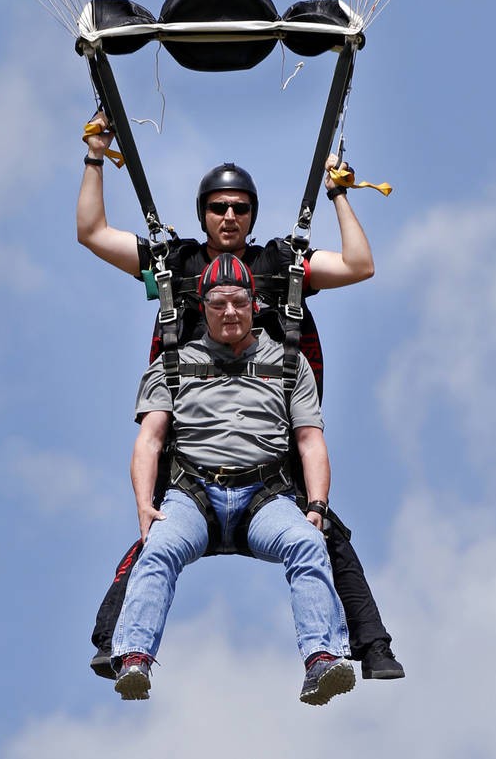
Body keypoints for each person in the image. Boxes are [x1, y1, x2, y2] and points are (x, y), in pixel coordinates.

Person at [78, 112, 404, 681]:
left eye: (240, 207)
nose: (229, 216)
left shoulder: (280, 264)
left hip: (271, 437)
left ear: (252, 214)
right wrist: (93, 157)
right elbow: (92, 233)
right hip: (195, 439)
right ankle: (115, 644)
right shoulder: (174, 265)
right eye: (218, 207)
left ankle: (369, 649)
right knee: (155, 541)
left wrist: (339, 197)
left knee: (326, 538)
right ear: (202, 214)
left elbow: (359, 264)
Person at [113, 254, 355, 705]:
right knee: (159, 548)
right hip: (194, 494)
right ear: (202, 307)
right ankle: (133, 657)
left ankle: (323, 657)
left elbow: (310, 441)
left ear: (255, 303)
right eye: (219, 303)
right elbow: (149, 440)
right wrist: (145, 505)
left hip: (263, 495)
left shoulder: (288, 362)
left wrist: (317, 506)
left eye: (239, 302)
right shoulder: (173, 363)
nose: (230, 312)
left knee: (307, 543)